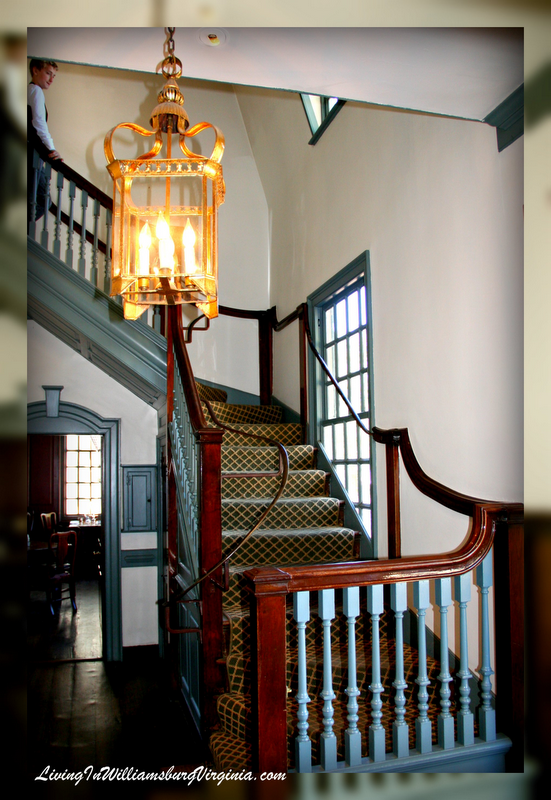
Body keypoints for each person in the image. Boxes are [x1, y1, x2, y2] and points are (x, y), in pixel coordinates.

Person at [27, 59, 61, 222]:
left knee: (37, 199)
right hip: (33, 153)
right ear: (35, 70)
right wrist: (52, 150)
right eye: (48, 73)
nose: (51, 79)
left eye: (54, 75)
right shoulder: (35, 91)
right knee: (42, 199)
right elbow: (39, 124)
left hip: (31, 153)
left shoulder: (29, 90)